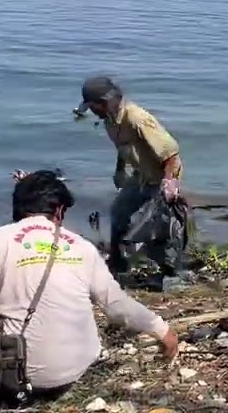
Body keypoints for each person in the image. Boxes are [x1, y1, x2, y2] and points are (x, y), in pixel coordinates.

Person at [0, 171, 178, 413]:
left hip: (24, 376)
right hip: (75, 371)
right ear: (59, 212)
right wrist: (162, 330)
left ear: (17, 207)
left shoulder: (2, 239)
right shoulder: (81, 247)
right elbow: (116, 304)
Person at [76, 75, 187, 280]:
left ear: (103, 102)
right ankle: (118, 262)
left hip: (163, 175)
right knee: (119, 212)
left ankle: (172, 274)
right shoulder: (110, 121)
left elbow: (171, 154)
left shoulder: (137, 118)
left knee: (164, 226)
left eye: (92, 107)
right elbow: (123, 147)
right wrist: (120, 170)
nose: (91, 111)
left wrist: (170, 183)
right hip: (141, 175)